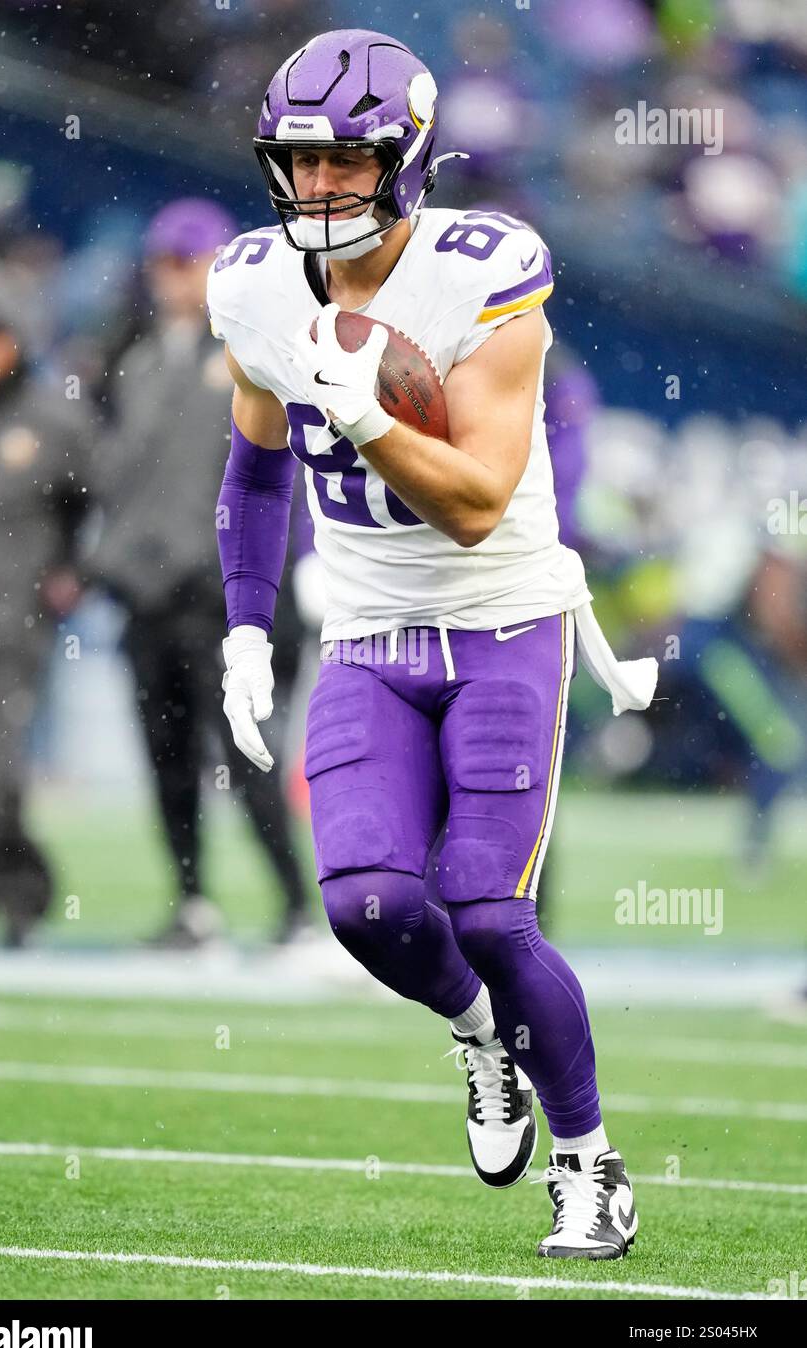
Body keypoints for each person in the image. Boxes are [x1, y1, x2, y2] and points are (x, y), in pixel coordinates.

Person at [207, 29, 657, 1259]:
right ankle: (476, 1037)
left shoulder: (483, 269)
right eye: (298, 163)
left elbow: (469, 506)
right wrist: (247, 627)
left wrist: (361, 415)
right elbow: (252, 465)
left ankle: (590, 1164)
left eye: (345, 162)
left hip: (501, 620)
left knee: (491, 911)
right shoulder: (250, 282)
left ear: (403, 159)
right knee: (363, 904)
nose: (317, 189)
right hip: (363, 632)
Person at [87, 199, 310, 947]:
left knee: (251, 753)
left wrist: (278, 582)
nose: (173, 279)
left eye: (189, 262)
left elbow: (281, 479)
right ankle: (191, 902)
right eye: (164, 264)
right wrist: (113, 564)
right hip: (150, 596)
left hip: (226, 598)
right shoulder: (138, 358)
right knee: (167, 757)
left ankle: (295, 906)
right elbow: (116, 476)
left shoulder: (255, 349)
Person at [0, 271, 94, 946]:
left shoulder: (54, 421)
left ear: (17, 343)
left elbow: (99, 503)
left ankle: (20, 892)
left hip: (7, 628)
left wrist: (74, 573)